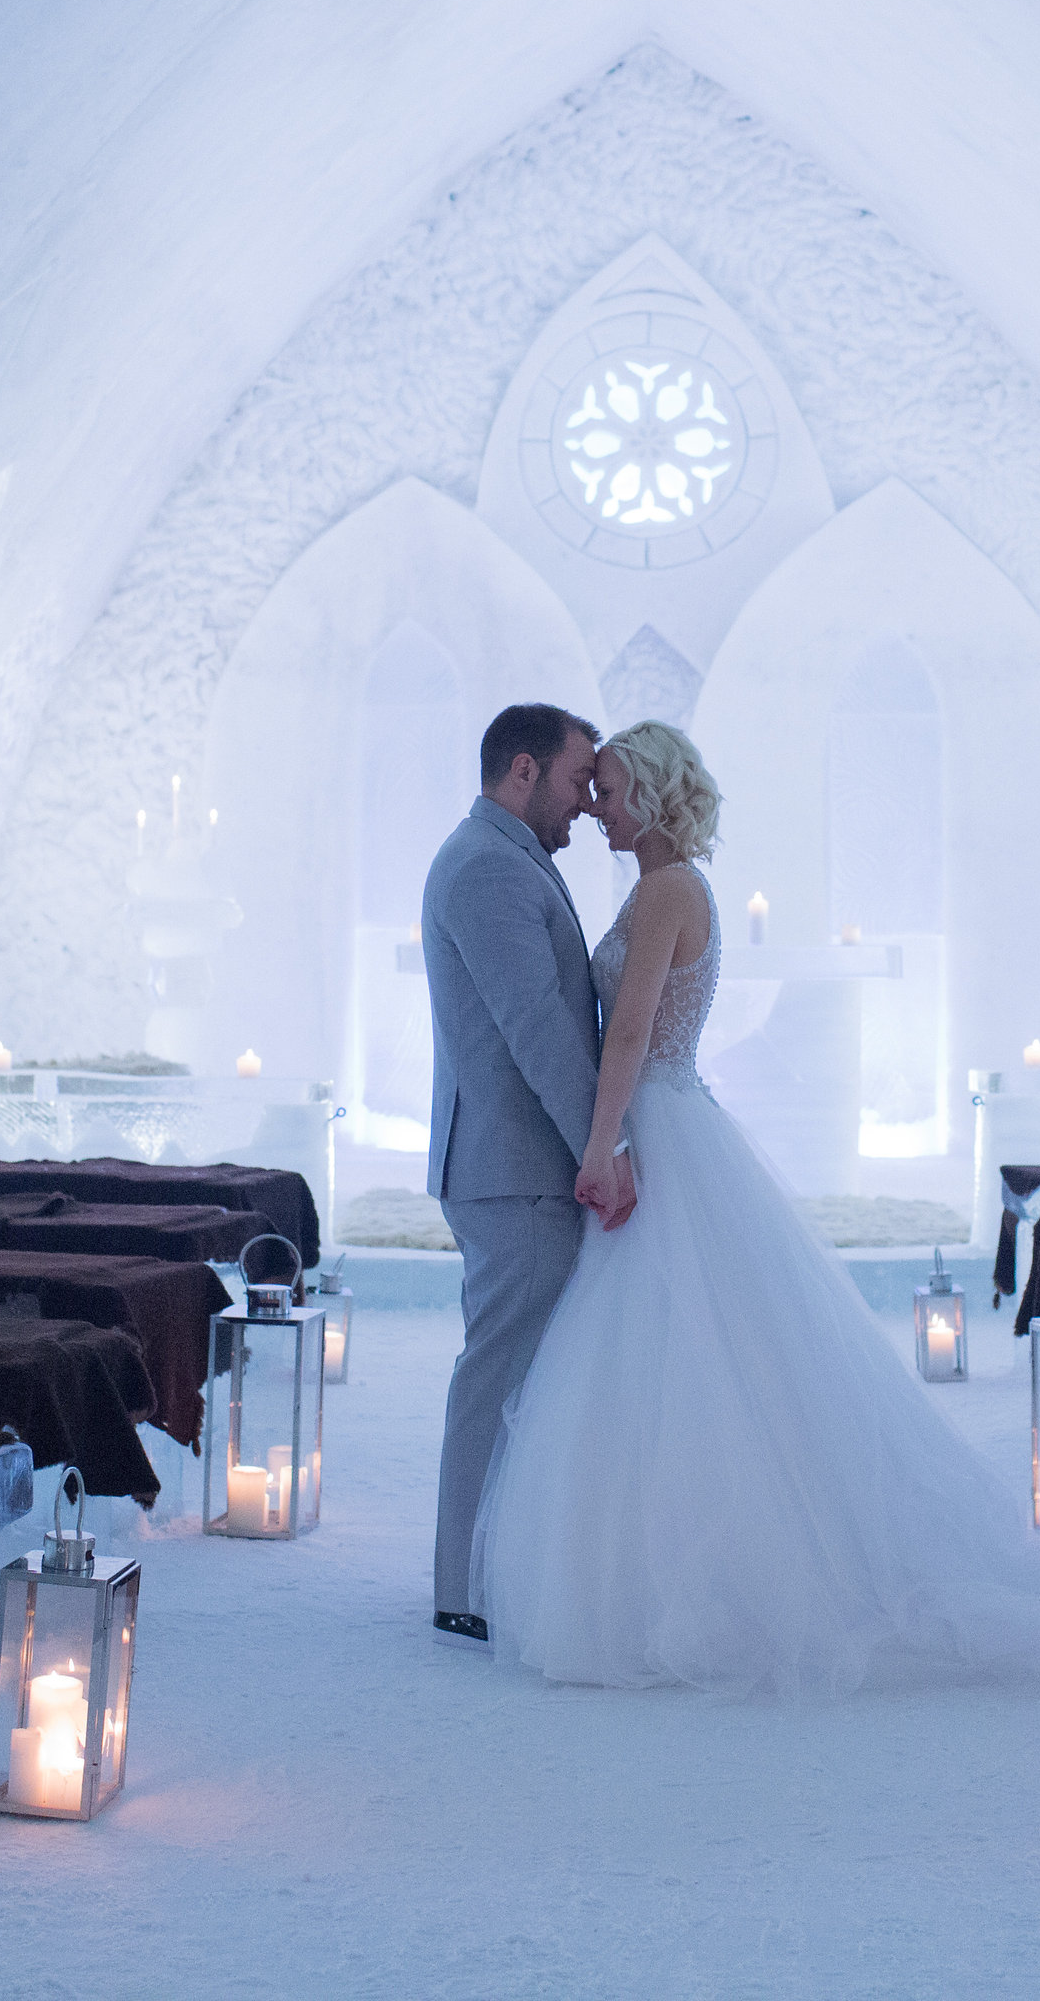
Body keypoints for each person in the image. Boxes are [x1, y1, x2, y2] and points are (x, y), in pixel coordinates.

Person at [470, 719, 1040, 1697]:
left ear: (658, 796)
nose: (597, 807)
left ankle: (689, 1584)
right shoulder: (660, 886)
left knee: (671, 1351)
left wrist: (600, 1148)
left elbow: (628, 1036)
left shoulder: (668, 891)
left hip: (660, 1126)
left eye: (613, 789)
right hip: (667, 1122)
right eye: (593, 788)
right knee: (684, 1354)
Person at [416, 701, 615, 1648]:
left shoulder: (502, 855)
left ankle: (495, 1568)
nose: (586, 802)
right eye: (578, 780)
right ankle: (464, 1586)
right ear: (524, 769)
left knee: (516, 1377)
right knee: (496, 1379)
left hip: (514, 1161)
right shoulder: (489, 867)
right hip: (517, 1165)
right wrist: (601, 1150)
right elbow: (536, 1029)